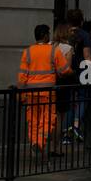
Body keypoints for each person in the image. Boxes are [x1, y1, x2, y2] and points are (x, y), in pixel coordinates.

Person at [18, 23, 58, 156]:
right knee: (47, 119)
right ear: (46, 36)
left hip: (31, 93)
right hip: (48, 92)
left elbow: (22, 75)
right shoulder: (53, 50)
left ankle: (34, 142)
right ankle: (40, 143)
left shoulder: (28, 51)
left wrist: (20, 94)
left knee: (33, 120)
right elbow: (64, 70)